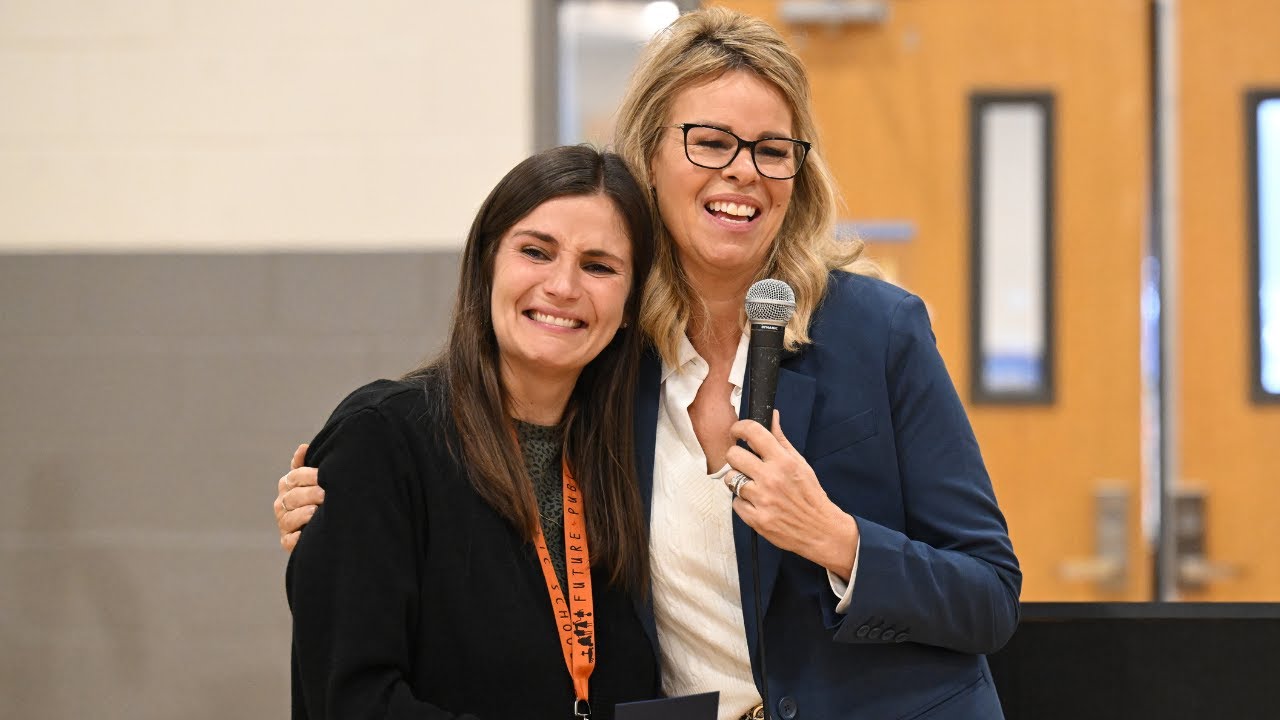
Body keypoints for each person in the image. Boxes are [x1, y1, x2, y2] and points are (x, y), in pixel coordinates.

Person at [277, 8, 1020, 720]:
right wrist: (344, 514)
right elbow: (499, 495)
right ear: (651, 156)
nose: (742, 173)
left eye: (771, 149)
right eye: (710, 141)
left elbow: (989, 592)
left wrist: (837, 539)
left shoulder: (877, 331)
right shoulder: (609, 354)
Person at [284, 145, 659, 720]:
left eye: (599, 266)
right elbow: (350, 700)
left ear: (632, 303)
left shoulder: (628, 457)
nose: (563, 286)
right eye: (536, 252)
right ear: (487, 263)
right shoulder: (382, 439)